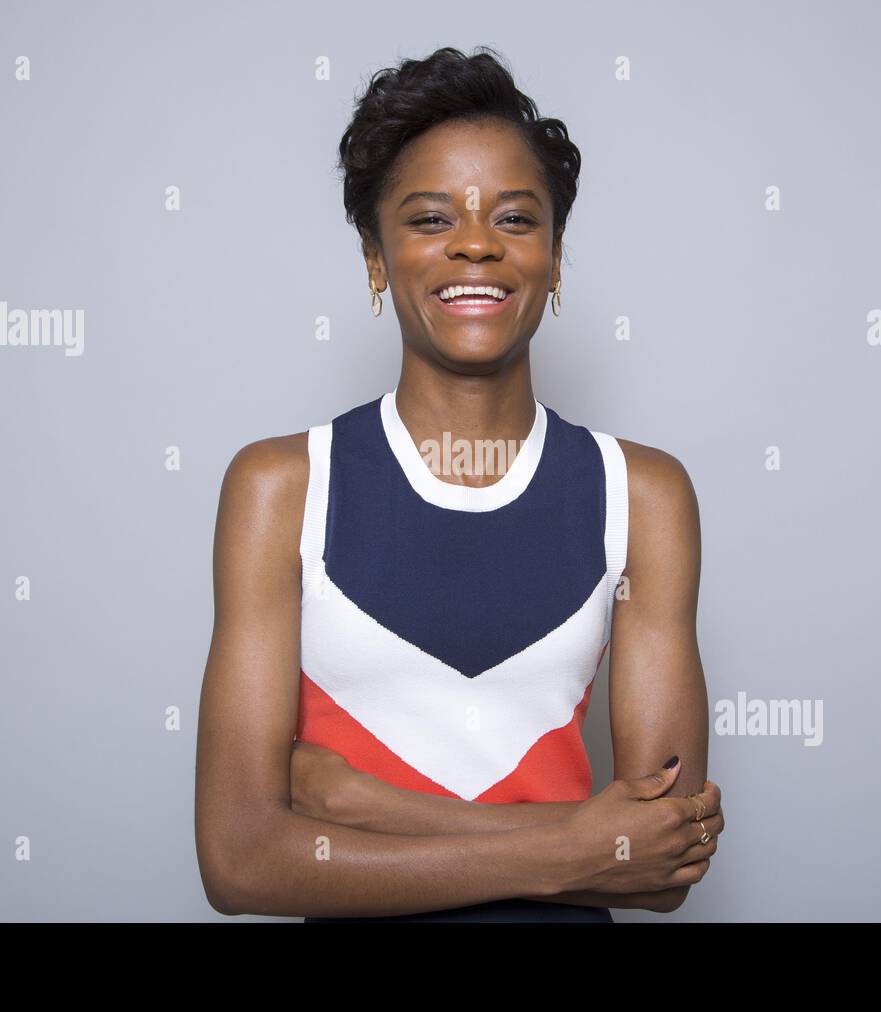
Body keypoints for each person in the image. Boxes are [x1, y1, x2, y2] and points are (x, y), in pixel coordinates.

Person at [194, 46, 722, 923]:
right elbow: (241, 862)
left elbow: (661, 861)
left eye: (516, 220)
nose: (475, 243)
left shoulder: (645, 495)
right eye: (431, 219)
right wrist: (577, 844)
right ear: (375, 258)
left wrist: (362, 807)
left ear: (555, 259)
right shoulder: (282, 487)